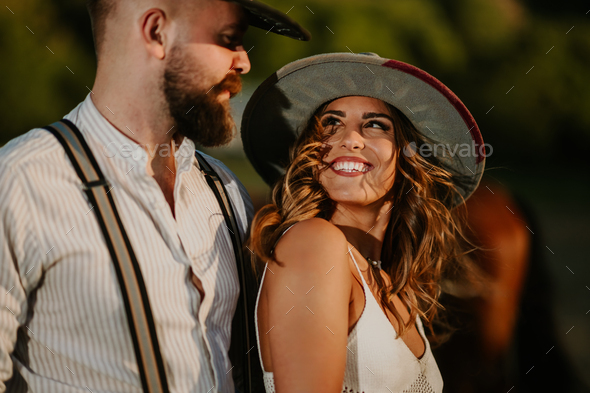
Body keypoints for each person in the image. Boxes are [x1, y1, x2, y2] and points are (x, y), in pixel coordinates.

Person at [0, 1, 309, 392]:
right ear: (156, 32)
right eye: (230, 39)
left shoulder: (226, 189)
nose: (243, 63)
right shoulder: (21, 181)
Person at [241, 52, 487, 392]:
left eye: (374, 124)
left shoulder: (394, 285)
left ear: (408, 156)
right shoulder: (313, 244)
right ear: (314, 154)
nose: (349, 138)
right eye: (331, 123)